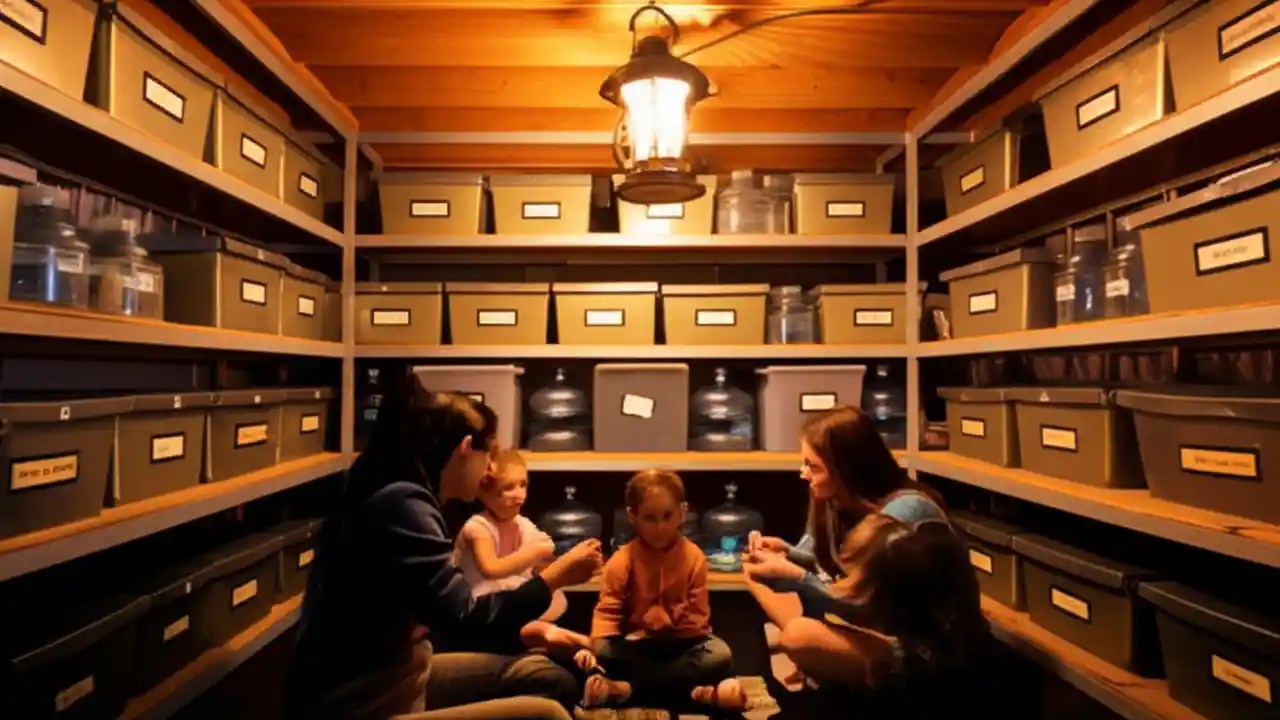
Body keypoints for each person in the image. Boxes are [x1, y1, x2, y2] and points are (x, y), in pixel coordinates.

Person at [285, 371, 603, 720]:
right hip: (368, 702)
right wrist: (555, 578)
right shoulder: (404, 507)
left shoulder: (404, 495)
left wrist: (536, 631)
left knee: (544, 675)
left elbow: (446, 615)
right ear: (466, 448)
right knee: (546, 714)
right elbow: (467, 621)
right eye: (489, 454)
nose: (490, 470)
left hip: (404, 673)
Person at [742, 406, 988, 703]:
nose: (803, 474)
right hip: (860, 616)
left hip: (916, 645)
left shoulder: (902, 518)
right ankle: (829, 662)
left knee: (798, 635)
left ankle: (842, 669)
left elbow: (863, 602)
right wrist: (788, 554)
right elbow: (827, 565)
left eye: (813, 466)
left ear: (846, 468)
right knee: (754, 573)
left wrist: (797, 576)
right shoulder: (831, 498)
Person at [579, 469, 746, 712]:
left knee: (719, 655)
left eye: (667, 516)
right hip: (635, 646)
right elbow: (607, 614)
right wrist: (623, 634)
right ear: (633, 516)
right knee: (603, 650)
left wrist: (667, 626)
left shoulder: (694, 557)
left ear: (682, 512)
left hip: (680, 646)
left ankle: (628, 690)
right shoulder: (622, 559)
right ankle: (695, 695)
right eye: (650, 518)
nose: (660, 526)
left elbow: (697, 618)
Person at [450, 449, 585, 656]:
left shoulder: (522, 524)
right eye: (508, 488)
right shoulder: (478, 527)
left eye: (523, 485)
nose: (519, 494)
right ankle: (549, 637)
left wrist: (555, 560)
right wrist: (533, 552)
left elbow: (542, 556)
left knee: (544, 602)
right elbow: (491, 569)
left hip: (513, 595)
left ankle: (559, 640)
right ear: (484, 494)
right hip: (481, 602)